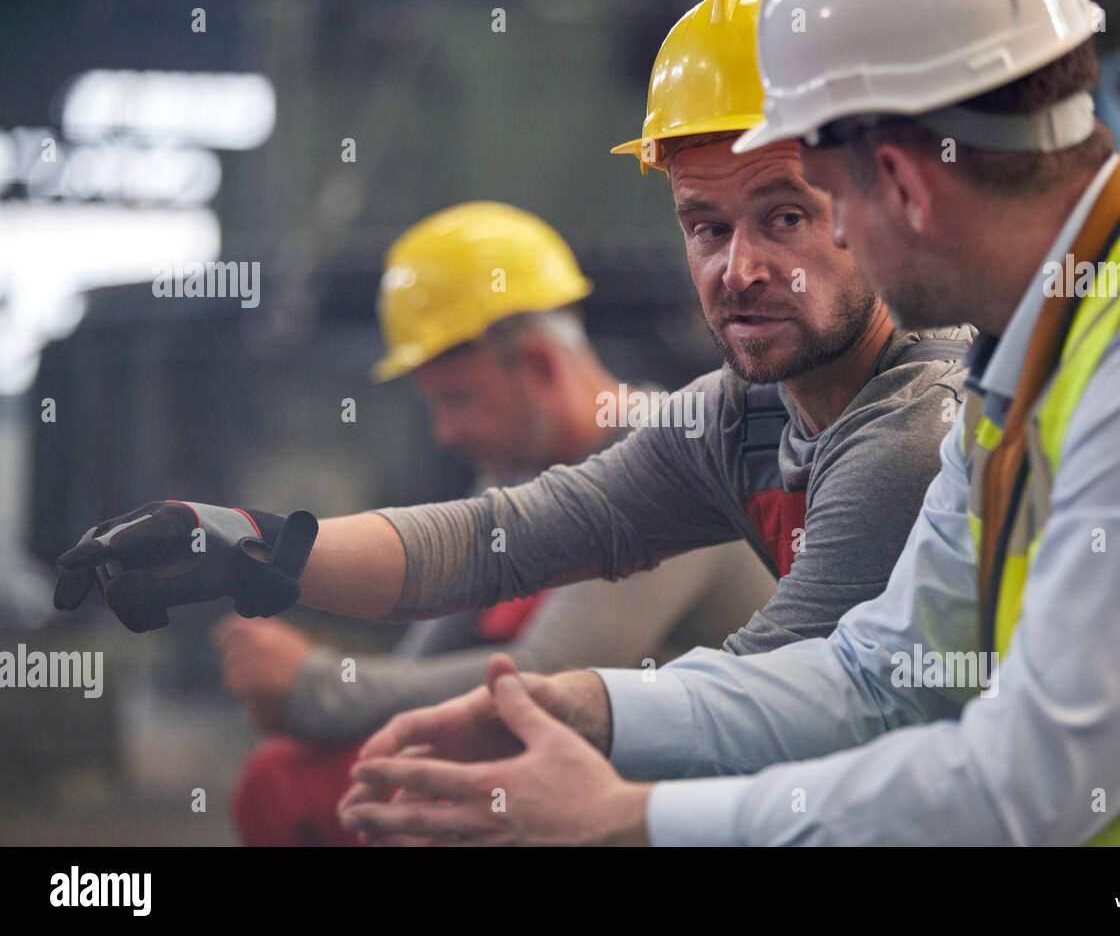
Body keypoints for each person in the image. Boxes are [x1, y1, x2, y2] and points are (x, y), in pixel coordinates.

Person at [335, 0, 1120, 846]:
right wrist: (590, 707)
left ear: (905, 184)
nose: (815, 242)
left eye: (813, 204)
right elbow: (883, 677)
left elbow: (1027, 785)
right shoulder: (1032, 350)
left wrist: (632, 818)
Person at [53, 0, 972, 667]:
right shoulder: (733, 419)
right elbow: (497, 539)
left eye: (786, 216)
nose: (740, 268)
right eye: (706, 226)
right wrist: (249, 542)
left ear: (876, 198)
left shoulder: (916, 426)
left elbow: (782, 685)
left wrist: (361, 704)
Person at [214, 201, 776, 845]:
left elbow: (547, 676)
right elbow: (426, 657)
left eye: (458, 400)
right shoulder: (514, 475)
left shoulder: (678, 455)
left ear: (539, 366)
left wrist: (316, 687)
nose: (445, 432)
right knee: (290, 782)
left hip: (698, 811)